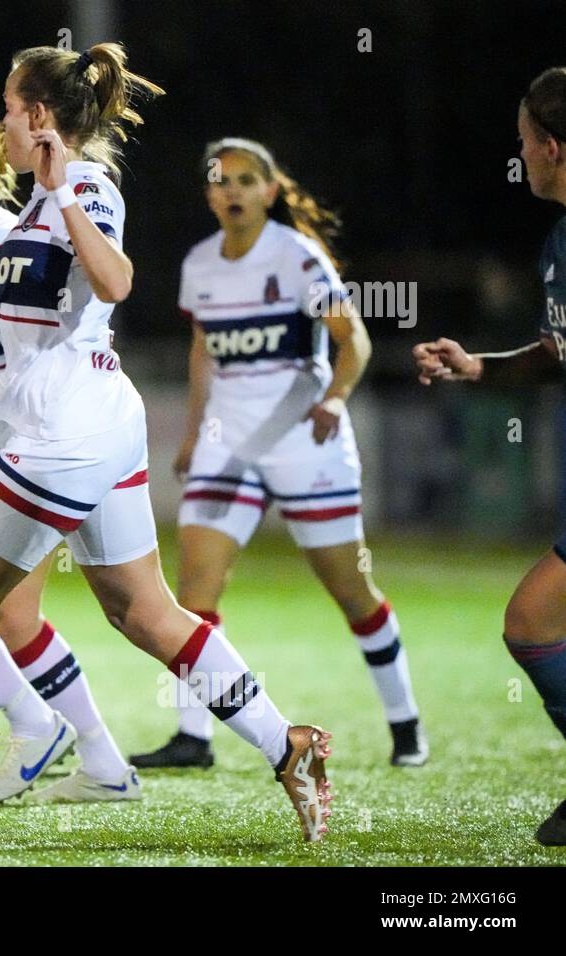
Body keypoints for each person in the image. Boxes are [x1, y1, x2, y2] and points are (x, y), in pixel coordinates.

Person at [0, 43, 332, 847]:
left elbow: (117, 281)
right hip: (88, 425)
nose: (3, 126)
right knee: (143, 612)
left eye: (9, 109)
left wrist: (63, 196)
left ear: (38, 116)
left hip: (64, 432)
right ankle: (286, 743)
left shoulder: (80, 185)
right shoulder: (27, 208)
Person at [128, 138, 426, 771]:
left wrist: (336, 399)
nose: (231, 190)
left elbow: (356, 341)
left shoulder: (296, 256)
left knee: (350, 590)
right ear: (209, 194)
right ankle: (193, 738)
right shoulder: (201, 263)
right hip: (228, 446)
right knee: (193, 590)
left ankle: (406, 725)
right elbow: (203, 350)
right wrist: (192, 434)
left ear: (268, 191)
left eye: (244, 180)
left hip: (302, 441)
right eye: (220, 181)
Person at [0, 108, 139, 804]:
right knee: (17, 614)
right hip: (26, 442)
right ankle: (99, 759)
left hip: (50, 442)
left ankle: (36, 730)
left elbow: (65, 315)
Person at [413, 66, 566, 846]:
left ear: (551, 146)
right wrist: (482, 367)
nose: (520, 157)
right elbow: (557, 349)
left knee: (533, 618)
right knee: (534, 620)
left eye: (522, 143)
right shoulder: (560, 238)